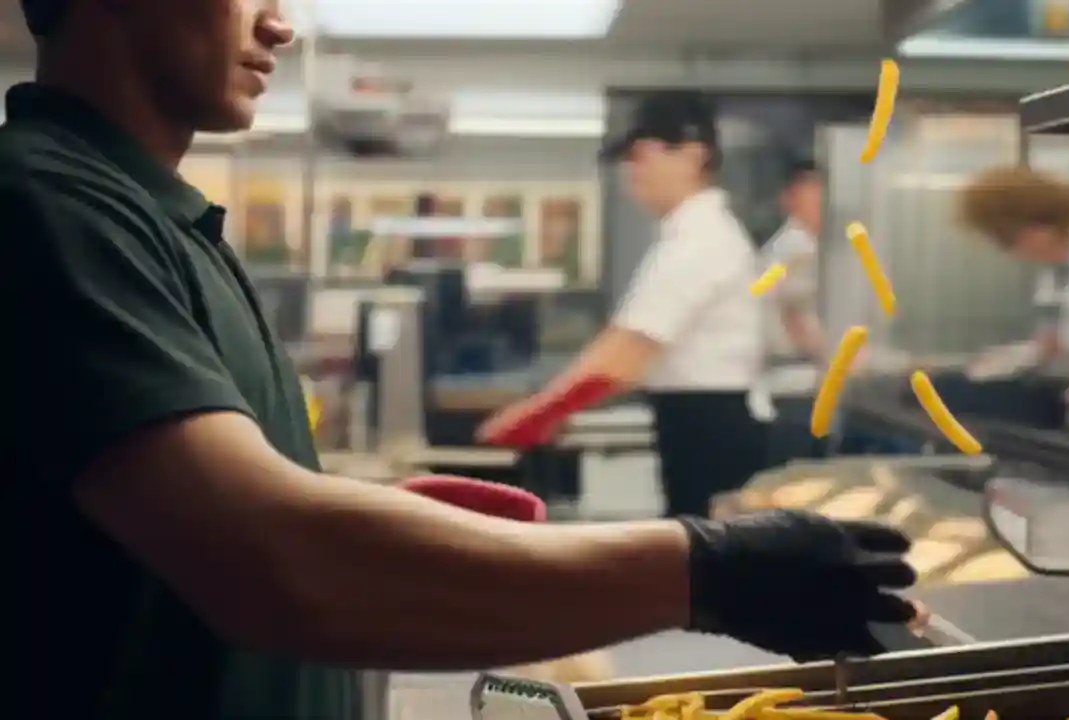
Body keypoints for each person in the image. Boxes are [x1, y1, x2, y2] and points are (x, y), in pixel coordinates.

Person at [0, 3, 922, 718]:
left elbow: (184, 522)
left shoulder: (163, 222)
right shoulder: (49, 208)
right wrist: (711, 573)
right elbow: (276, 558)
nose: (279, 26)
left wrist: (383, 524)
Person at [480, 92, 772, 519]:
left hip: (714, 426)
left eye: (642, 157)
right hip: (694, 420)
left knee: (713, 560)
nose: (633, 172)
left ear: (692, 156)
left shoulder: (700, 241)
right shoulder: (686, 235)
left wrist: (535, 415)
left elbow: (623, 356)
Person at [957, 166, 1069, 378]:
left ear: (1042, 226)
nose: (1011, 253)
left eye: (1007, 240)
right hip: (1060, 378)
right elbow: (1051, 345)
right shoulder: (1055, 274)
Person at [760, 159, 829, 463]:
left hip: (793, 383)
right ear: (789, 200)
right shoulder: (795, 247)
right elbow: (795, 317)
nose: (820, 204)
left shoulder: (803, 246)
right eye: (811, 195)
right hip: (796, 386)